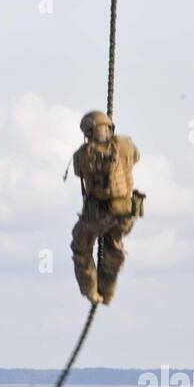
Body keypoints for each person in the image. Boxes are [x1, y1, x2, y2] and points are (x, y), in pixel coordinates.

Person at [71, 110, 142, 306]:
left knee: (81, 247)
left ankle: (91, 291)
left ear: (88, 132)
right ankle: (108, 292)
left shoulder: (85, 154)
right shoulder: (126, 146)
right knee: (114, 247)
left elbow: (78, 171)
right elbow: (136, 156)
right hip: (126, 215)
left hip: (100, 217)